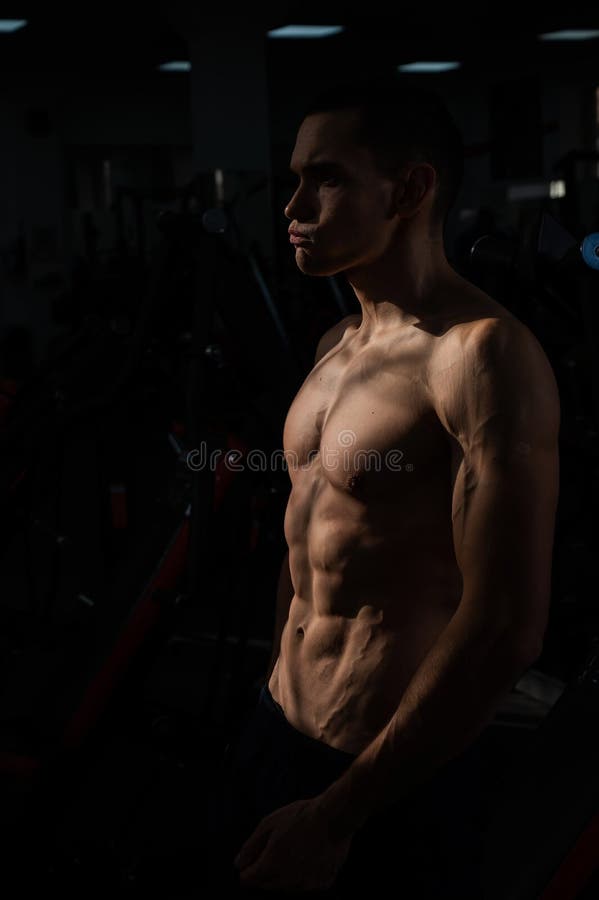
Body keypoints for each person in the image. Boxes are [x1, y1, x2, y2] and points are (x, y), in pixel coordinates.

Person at [216, 79, 560, 897]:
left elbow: (505, 628)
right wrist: (272, 690)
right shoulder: (336, 344)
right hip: (277, 729)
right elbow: (306, 548)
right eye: (294, 177)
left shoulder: (478, 356)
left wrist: (337, 813)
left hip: (382, 778)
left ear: (407, 190)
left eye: (324, 178)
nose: (293, 203)